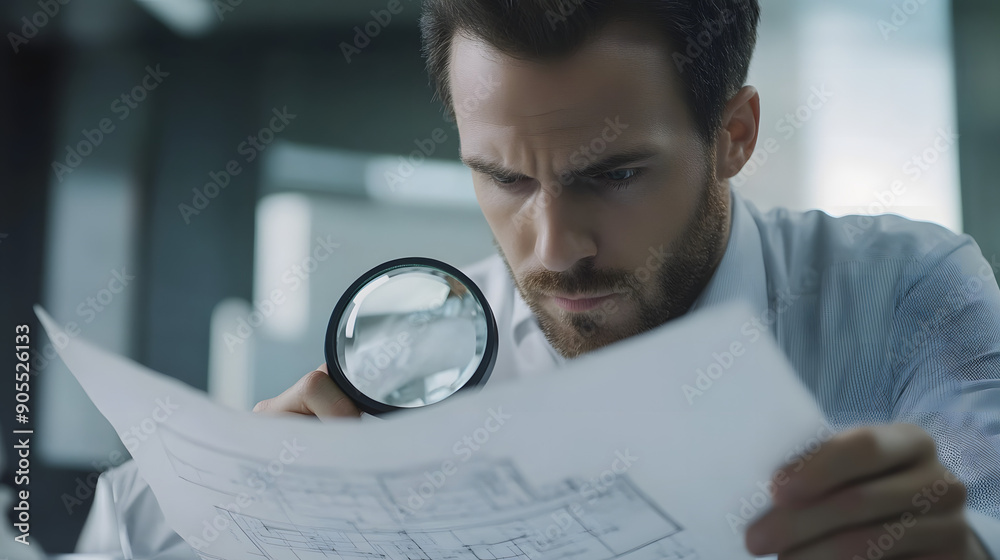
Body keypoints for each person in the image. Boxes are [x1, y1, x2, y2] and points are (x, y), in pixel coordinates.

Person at [79, 0, 1000, 558]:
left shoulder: (908, 292)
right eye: (505, 178)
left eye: (614, 174)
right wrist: (216, 518)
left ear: (735, 135)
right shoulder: (411, 368)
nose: (554, 249)